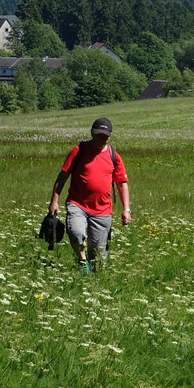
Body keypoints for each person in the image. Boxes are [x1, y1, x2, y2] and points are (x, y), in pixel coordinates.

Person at [48, 117, 130, 273]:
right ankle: (81, 260)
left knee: (98, 255)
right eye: (99, 135)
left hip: (103, 210)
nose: (102, 139)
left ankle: (93, 277)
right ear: (92, 133)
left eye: (105, 136)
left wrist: (126, 209)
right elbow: (63, 176)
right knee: (76, 232)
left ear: (110, 136)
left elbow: (122, 184)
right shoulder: (79, 150)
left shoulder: (114, 156)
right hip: (77, 204)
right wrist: (55, 200)